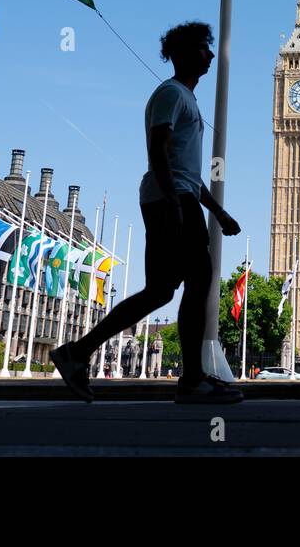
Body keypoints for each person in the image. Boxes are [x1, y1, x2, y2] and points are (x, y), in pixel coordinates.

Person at [51, 21, 244, 404]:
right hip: (168, 200)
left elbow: (187, 171)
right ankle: (191, 380)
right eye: (204, 48)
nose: (209, 55)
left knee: (159, 291)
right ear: (185, 53)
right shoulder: (171, 94)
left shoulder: (187, 99)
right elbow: (158, 150)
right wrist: (175, 204)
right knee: (200, 278)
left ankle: (76, 353)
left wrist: (218, 213)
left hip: (175, 196)